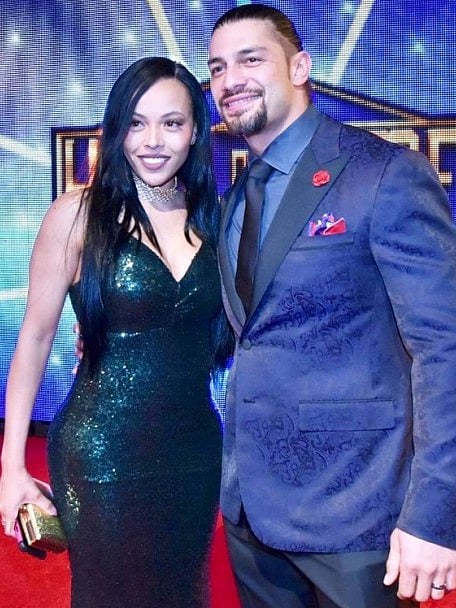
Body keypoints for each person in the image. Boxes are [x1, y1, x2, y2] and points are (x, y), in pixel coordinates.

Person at [208, 4, 456, 608]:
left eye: (250, 59)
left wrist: (435, 514)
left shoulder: (384, 174)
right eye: (217, 68)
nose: (230, 79)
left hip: (358, 513)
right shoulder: (237, 195)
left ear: (300, 67)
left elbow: (445, 346)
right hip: (251, 513)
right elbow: (254, 331)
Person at [0, 56, 229, 607]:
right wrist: (12, 466)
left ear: (196, 131)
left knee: (185, 594)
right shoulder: (78, 213)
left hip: (195, 453)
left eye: (171, 123)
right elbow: (35, 338)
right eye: (136, 122)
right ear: (116, 129)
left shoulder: (216, 219)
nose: (153, 141)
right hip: (100, 454)